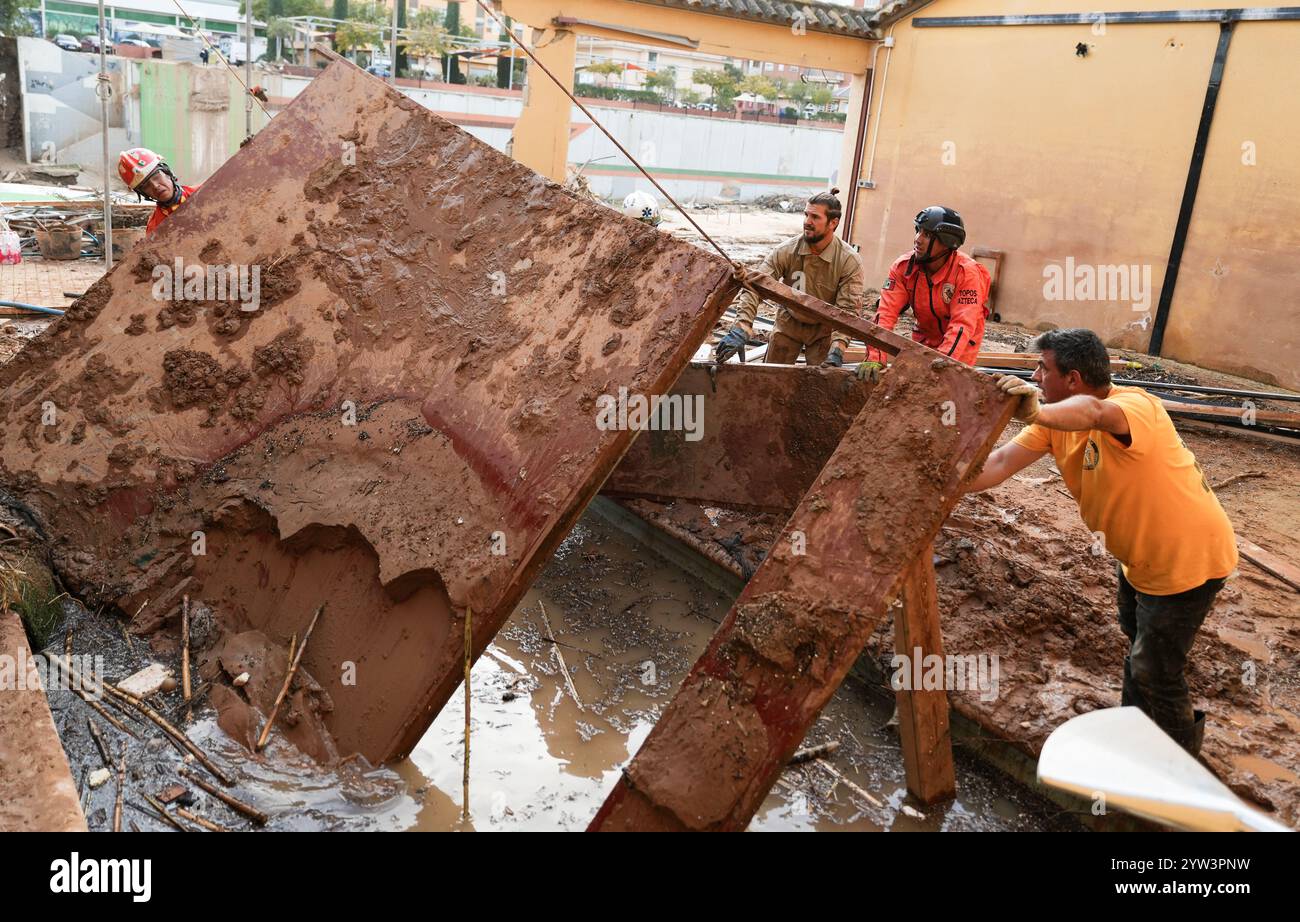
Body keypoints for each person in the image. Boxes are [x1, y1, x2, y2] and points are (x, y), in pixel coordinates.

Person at [968, 328, 1238, 755]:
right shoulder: (1054, 424)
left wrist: (1037, 411)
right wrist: (939, 478)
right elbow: (999, 462)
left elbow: (1095, 412)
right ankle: (1134, 740)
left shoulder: (1135, 406)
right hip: (1138, 559)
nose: (1035, 377)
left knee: (1155, 669)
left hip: (1188, 558)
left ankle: (1176, 765)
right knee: (1140, 650)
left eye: (1043, 368)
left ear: (1072, 378)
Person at [713, 189, 863, 367]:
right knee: (769, 377)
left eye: (815, 217)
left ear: (833, 223)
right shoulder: (786, 250)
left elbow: (848, 310)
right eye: (806, 215)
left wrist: (838, 348)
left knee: (822, 380)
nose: (807, 222)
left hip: (825, 329)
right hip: (789, 322)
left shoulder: (848, 261)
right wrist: (742, 327)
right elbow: (755, 285)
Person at [858, 205, 990, 382]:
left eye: (927, 235)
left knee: (946, 387)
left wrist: (942, 364)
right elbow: (885, 314)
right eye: (918, 231)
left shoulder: (967, 273)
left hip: (961, 345)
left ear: (947, 241)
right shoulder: (903, 268)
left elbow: (961, 326)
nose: (917, 239)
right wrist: (875, 357)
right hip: (924, 337)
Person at [117, 148, 198, 236]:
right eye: (146, 186)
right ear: (144, 194)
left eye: (156, 177)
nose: (155, 186)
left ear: (167, 173)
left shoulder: (204, 193)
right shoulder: (155, 229)